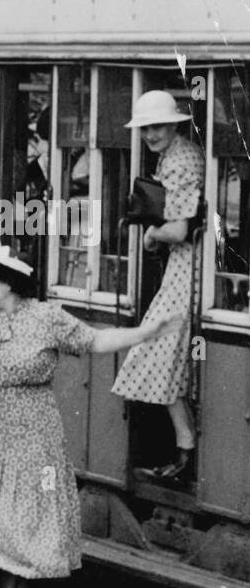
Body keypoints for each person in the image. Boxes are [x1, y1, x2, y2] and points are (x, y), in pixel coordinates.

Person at [0, 241, 181, 588]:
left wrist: (147, 333)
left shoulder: (46, 318)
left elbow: (96, 342)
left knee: (19, 518)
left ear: (8, 283)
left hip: (34, 434)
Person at [109, 90, 204, 483]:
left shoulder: (179, 160)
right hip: (188, 267)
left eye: (157, 126)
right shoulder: (178, 153)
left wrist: (150, 236)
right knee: (170, 358)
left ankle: (187, 454)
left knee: (157, 350)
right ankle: (185, 451)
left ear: (174, 125)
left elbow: (180, 229)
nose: (150, 135)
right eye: (146, 128)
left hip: (188, 266)